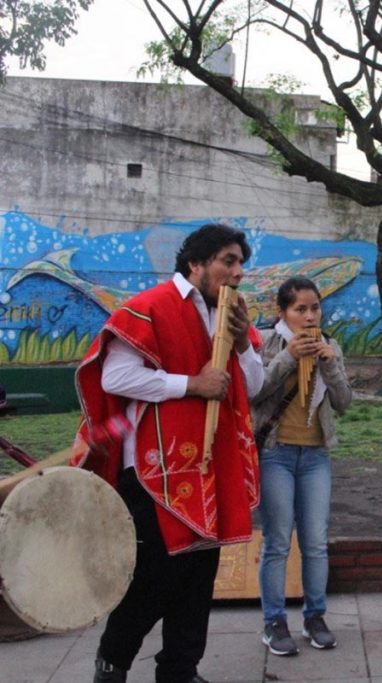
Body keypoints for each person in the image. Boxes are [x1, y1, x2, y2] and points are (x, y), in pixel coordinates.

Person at [73, 224, 264, 683]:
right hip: (153, 473)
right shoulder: (149, 307)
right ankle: (111, 664)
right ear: (195, 264)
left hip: (209, 466)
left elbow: (252, 386)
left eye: (240, 263)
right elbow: (115, 378)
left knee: (199, 577)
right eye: (227, 260)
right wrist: (190, 384)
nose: (237, 272)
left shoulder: (231, 316)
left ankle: (180, 669)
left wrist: (240, 345)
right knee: (152, 579)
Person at [251, 277, 353, 656]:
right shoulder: (264, 342)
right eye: (300, 309)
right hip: (274, 452)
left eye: (315, 308)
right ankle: (273, 622)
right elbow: (254, 391)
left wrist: (329, 365)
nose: (309, 317)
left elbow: (343, 403)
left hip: (315, 456)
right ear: (283, 312)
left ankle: (315, 617)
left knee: (315, 542)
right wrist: (289, 356)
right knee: (278, 541)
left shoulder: (331, 344)